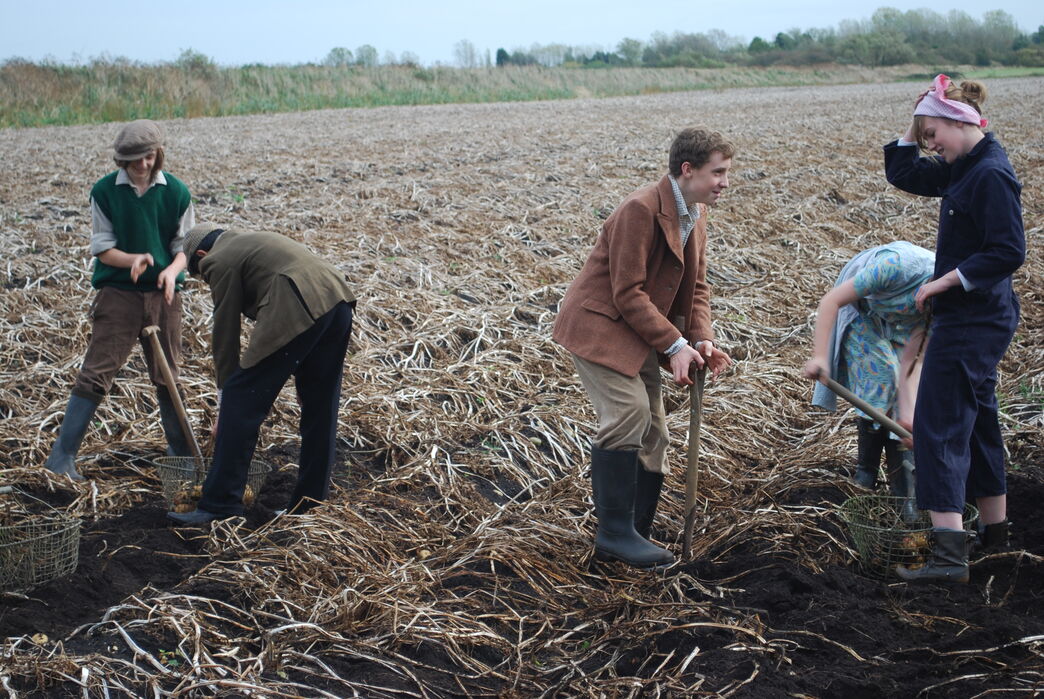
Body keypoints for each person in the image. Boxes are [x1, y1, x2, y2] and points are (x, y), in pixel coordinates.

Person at [553, 128, 734, 569]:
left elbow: (699, 287)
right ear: (687, 170)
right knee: (628, 415)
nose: (725, 182)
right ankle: (613, 533)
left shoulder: (694, 210)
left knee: (655, 433)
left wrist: (701, 338)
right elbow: (628, 292)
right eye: (718, 172)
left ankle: (636, 531)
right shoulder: (640, 210)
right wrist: (674, 346)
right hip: (601, 326)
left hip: (637, 331)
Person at [884, 74, 1025, 583]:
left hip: (973, 321)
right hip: (977, 319)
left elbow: (1010, 251)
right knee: (980, 420)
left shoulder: (989, 174)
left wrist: (946, 281)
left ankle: (947, 559)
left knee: (939, 425)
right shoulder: (963, 166)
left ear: (958, 122)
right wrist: (919, 117)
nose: (929, 147)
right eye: (926, 138)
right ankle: (995, 535)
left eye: (932, 135)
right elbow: (904, 174)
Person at [167, 224, 356, 524]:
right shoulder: (247, 242)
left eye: (201, 275)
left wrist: (225, 400)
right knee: (320, 407)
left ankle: (219, 504)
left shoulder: (217, 259)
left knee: (242, 397)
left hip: (297, 302)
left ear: (201, 256)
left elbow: (225, 333)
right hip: (338, 300)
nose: (207, 279)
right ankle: (309, 504)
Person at [44, 120, 195, 481]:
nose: (142, 165)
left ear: (158, 154)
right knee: (97, 372)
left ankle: (182, 458)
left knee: (167, 375)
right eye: (133, 160)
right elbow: (103, 248)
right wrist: (134, 260)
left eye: (148, 157)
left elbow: (184, 246)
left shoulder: (176, 191)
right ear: (121, 161)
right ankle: (61, 458)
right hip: (118, 295)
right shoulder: (105, 192)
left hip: (164, 293)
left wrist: (171, 271)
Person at [803, 241, 935, 519]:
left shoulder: (940, 309)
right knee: (882, 376)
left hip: (896, 317)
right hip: (859, 306)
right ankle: (866, 474)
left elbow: (913, 361)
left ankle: (905, 497)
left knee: (901, 395)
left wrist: (908, 415)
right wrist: (820, 357)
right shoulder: (893, 268)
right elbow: (831, 301)